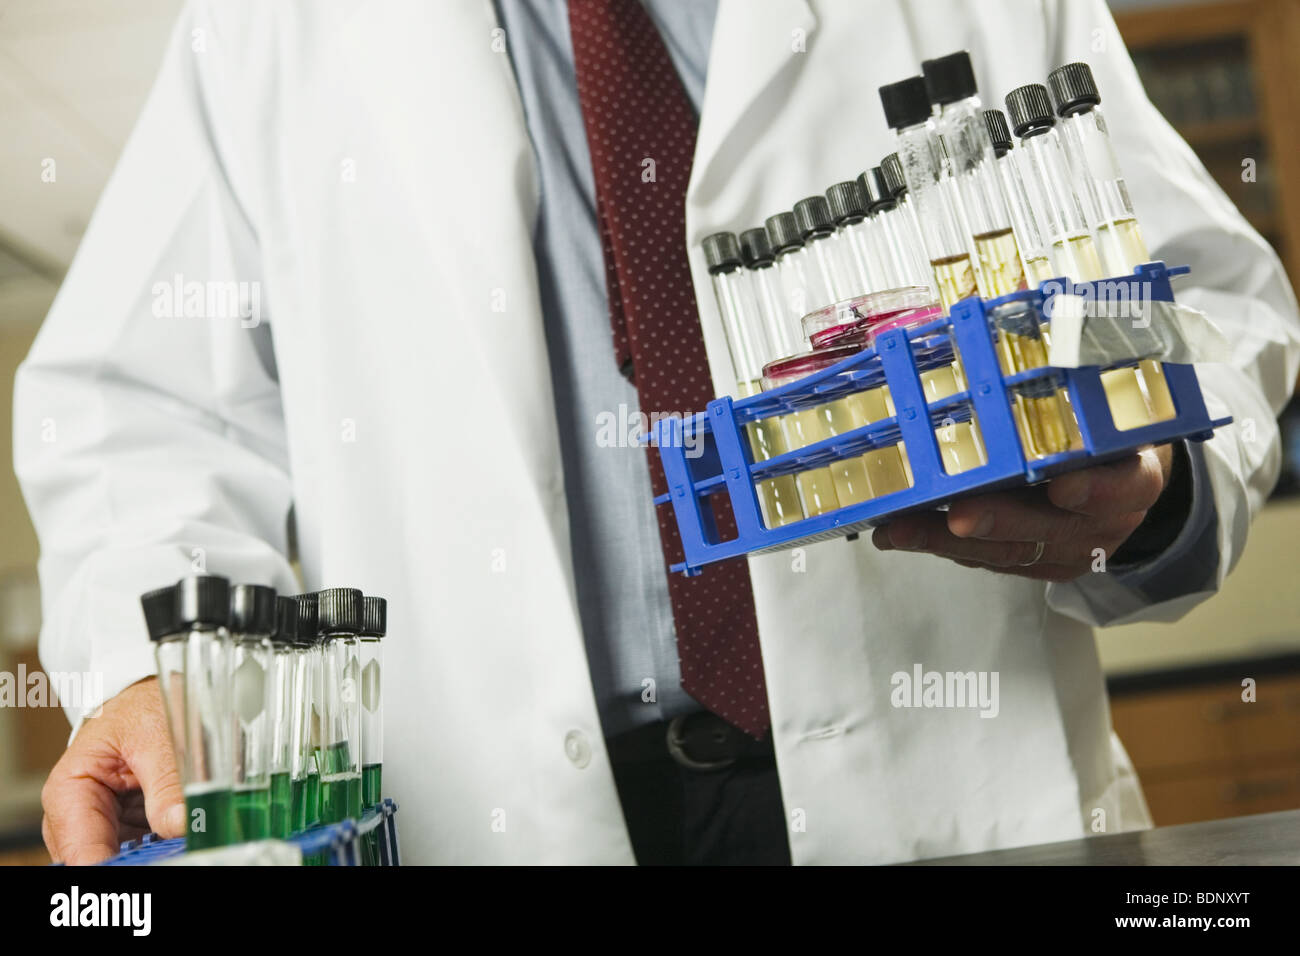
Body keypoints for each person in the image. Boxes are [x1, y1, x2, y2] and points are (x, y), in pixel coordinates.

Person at [16, 0, 1299, 866]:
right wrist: (154, 667)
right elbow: (141, 403)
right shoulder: (275, 29)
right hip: (507, 817)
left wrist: (1159, 474)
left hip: (959, 788)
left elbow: (1210, 304)